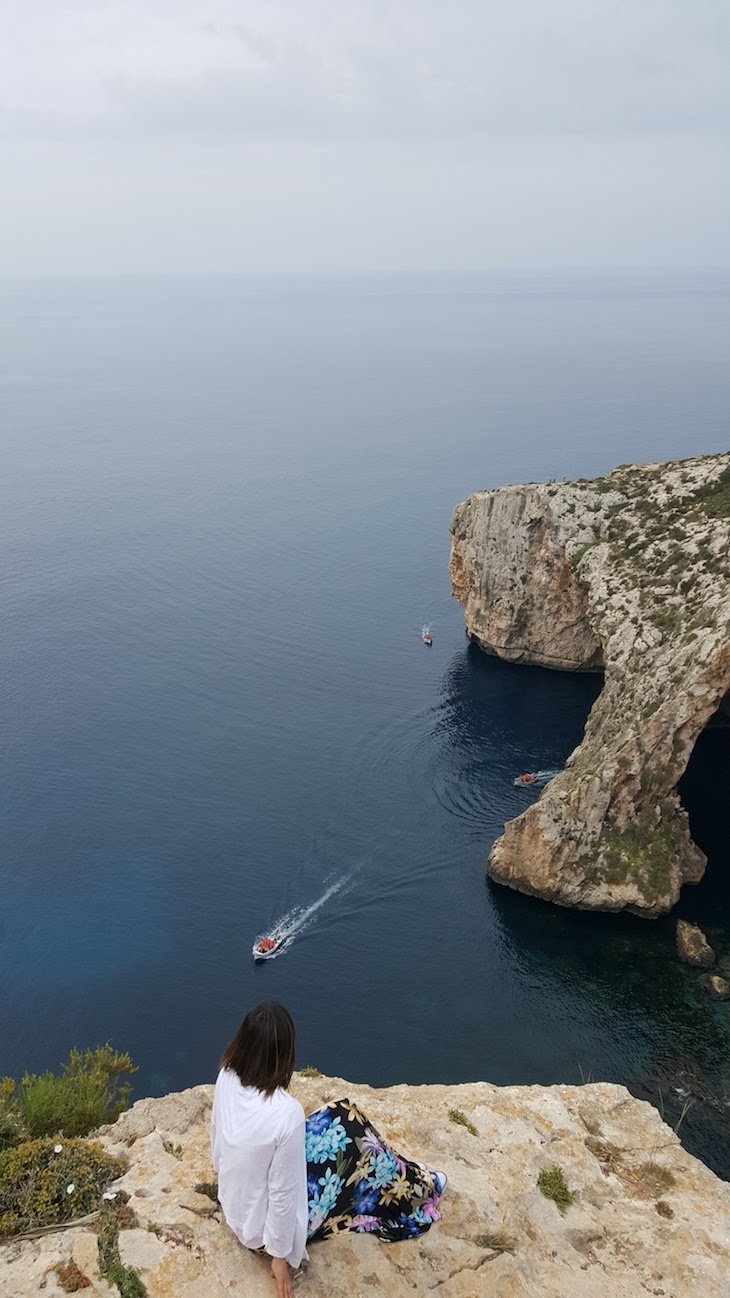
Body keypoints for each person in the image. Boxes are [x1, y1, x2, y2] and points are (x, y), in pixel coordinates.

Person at [211, 1002, 446, 1298]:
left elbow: (217, 1136)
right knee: (361, 1151)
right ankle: (419, 1188)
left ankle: (408, 1175)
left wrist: (230, 1186)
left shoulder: (227, 1074)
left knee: (343, 1115)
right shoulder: (285, 1112)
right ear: (284, 1053)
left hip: (237, 1210)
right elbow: (284, 1195)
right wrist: (280, 1257)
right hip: (261, 1235)